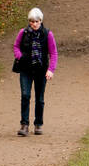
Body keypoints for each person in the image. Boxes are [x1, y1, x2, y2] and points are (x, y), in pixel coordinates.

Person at [12, 7, 57, 136]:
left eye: (37, 21)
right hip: (25, 69)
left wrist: (51, 70)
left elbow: (53, 53)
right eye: (32, 21)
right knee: (25, 95)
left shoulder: (47, 34)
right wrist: (20, 56)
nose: (34, 24)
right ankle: (24, 125)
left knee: (40, 98)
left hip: (41, 70)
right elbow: (16, 46)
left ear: (41, 21)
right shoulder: (23, 32)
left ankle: (38, 124)